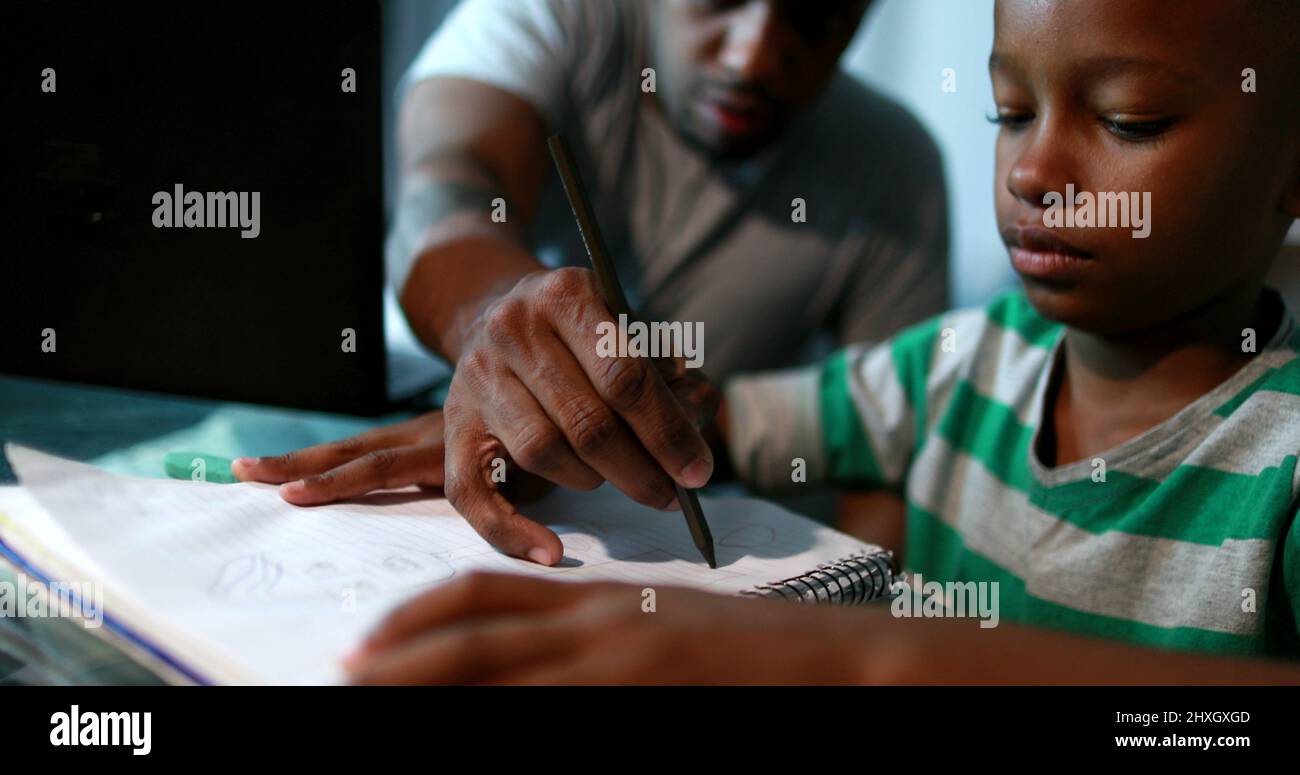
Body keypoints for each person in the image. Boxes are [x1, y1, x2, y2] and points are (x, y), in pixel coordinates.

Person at [338, 0, 1300, 683]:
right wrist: (555, 407)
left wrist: (875, 655)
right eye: (1009, 113)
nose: (1033, 168)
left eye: (1129, 120)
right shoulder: (951, 366)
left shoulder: (1282, 466)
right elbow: (710, 419)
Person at [233, 0, 950, 564]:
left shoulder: (897, 169)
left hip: (673, 539)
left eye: (816, 17)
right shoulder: (554, 14)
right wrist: (494, 320)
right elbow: (447, 189)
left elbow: (883, 454)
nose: (752, 55)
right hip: (400, 431)